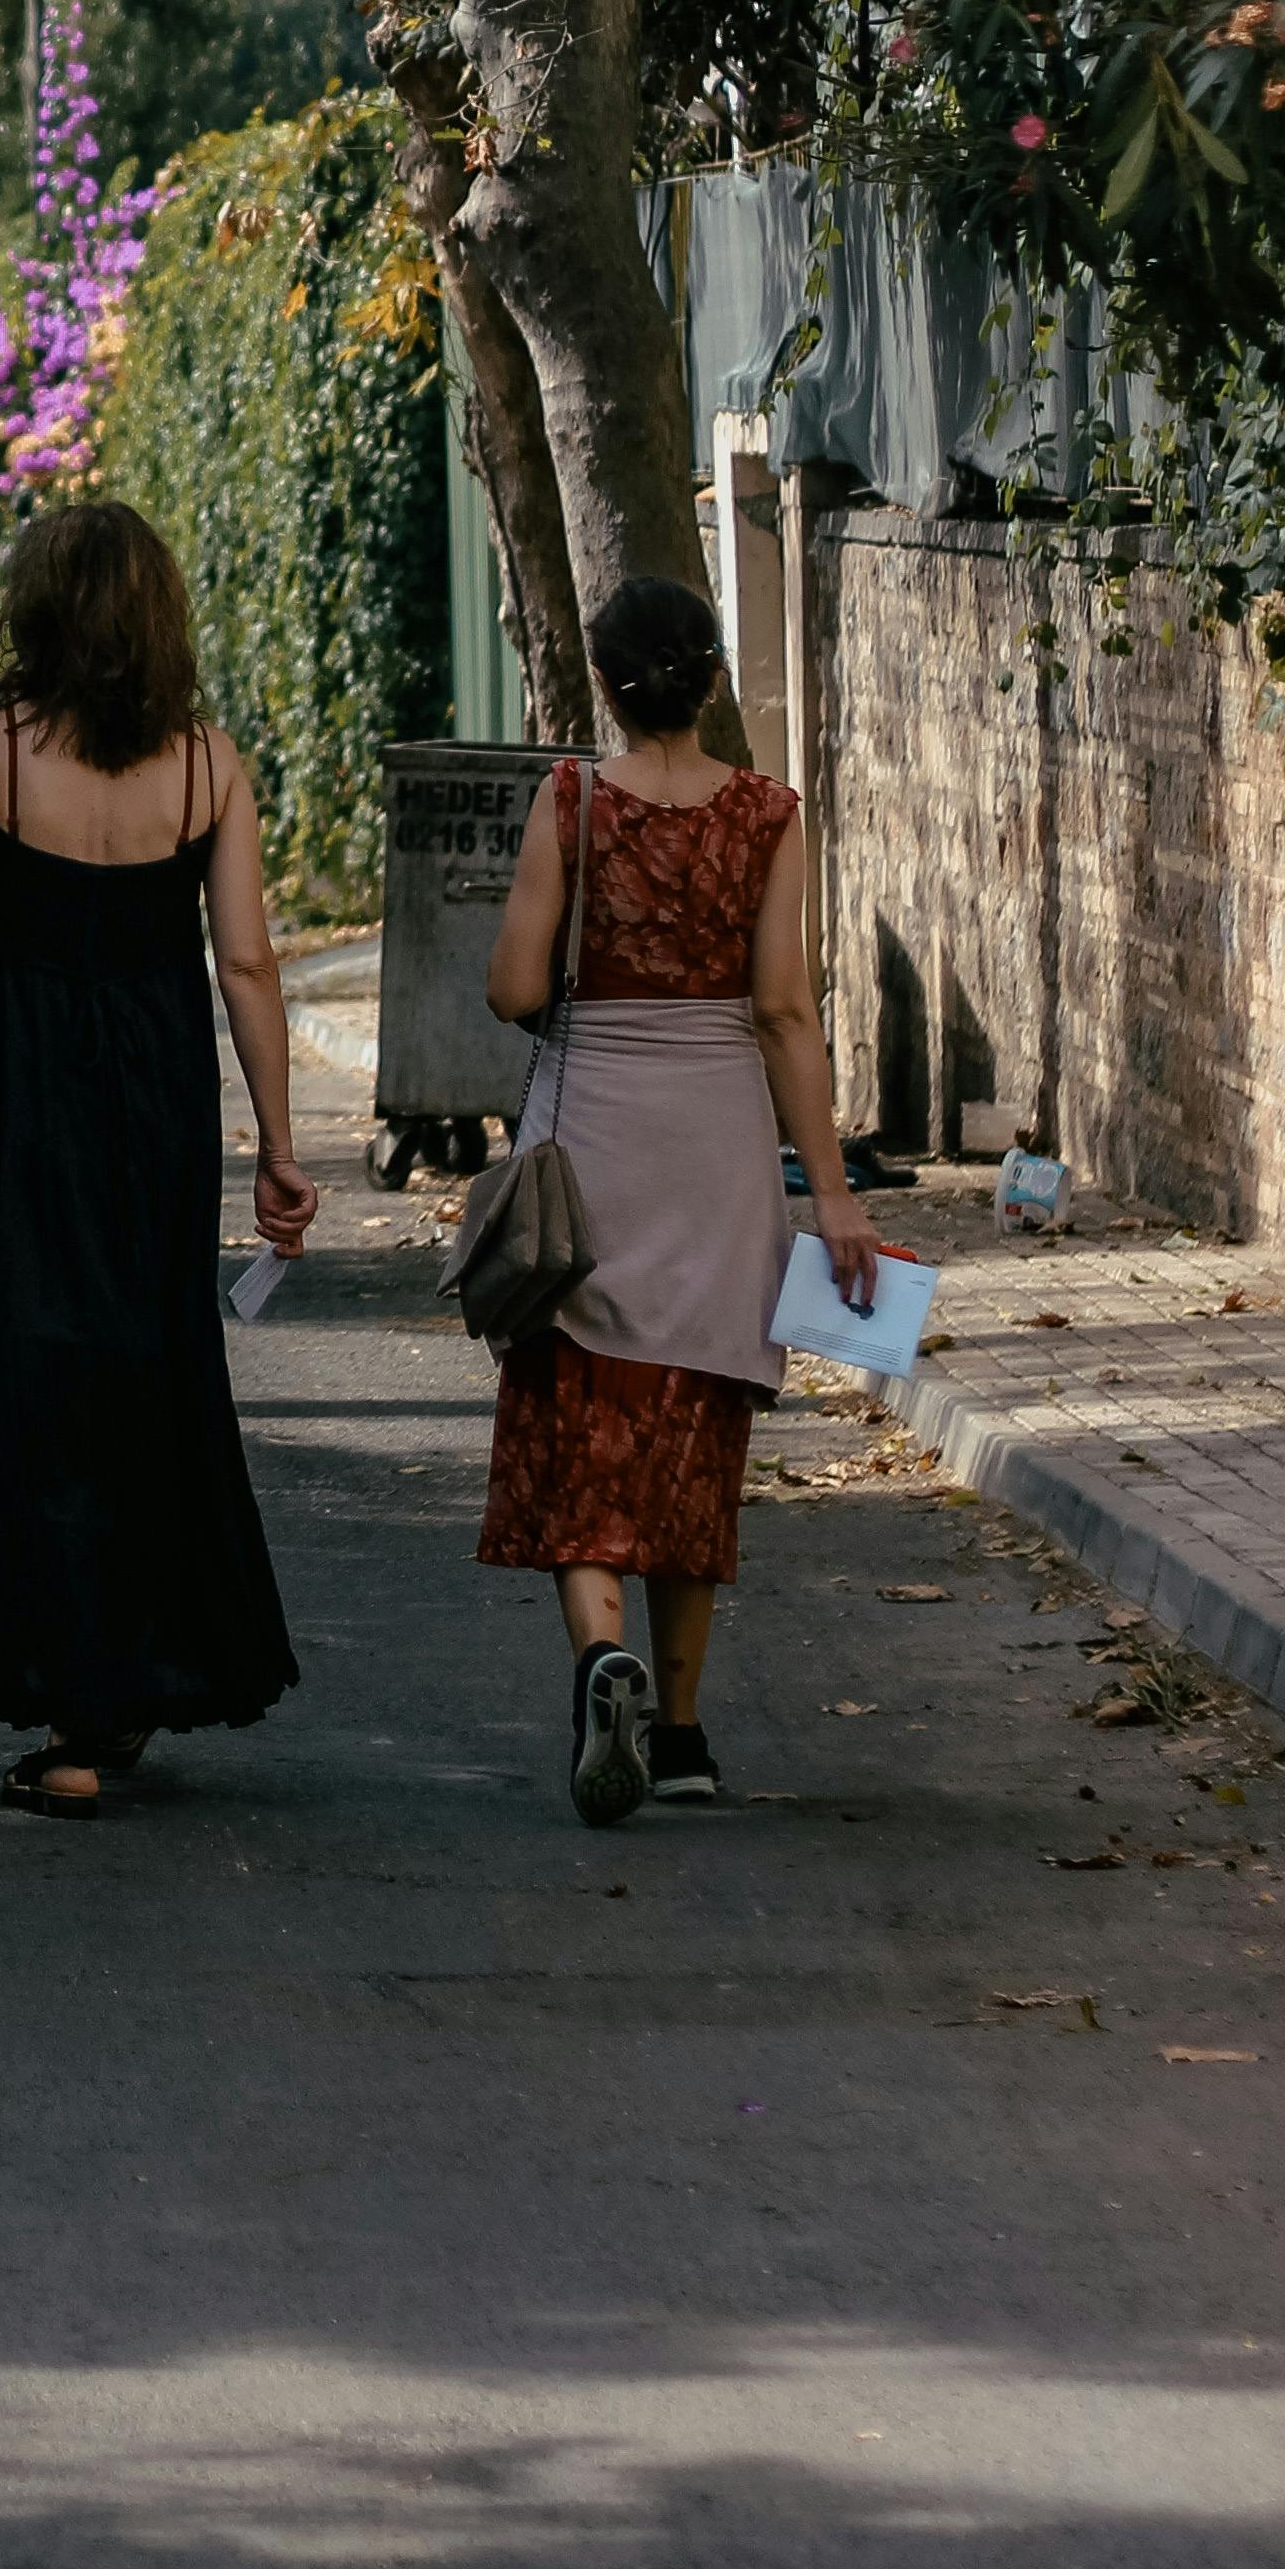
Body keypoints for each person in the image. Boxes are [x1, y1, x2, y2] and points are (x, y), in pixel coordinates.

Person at [0, 499, 316, 1817]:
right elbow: (243, 962)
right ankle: (128, 1682)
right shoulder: (208, 766)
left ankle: (72, 1716)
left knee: (26, 1370)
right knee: (148, 1363)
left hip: (21, 1092)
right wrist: (279, 1146)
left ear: (39, 614)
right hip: (158, 1094)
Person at [478, 570, 882, 1828]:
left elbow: (510, 986)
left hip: (596, 1135)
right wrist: (835, 1201)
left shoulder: (573, 801)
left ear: (603, 678)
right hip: (717, 1148)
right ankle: (691, 1738)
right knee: (694, 1421)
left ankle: (604, 1659)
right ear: (711, 679)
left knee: (581, 1406)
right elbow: (783, 1013)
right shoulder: (769, 813)